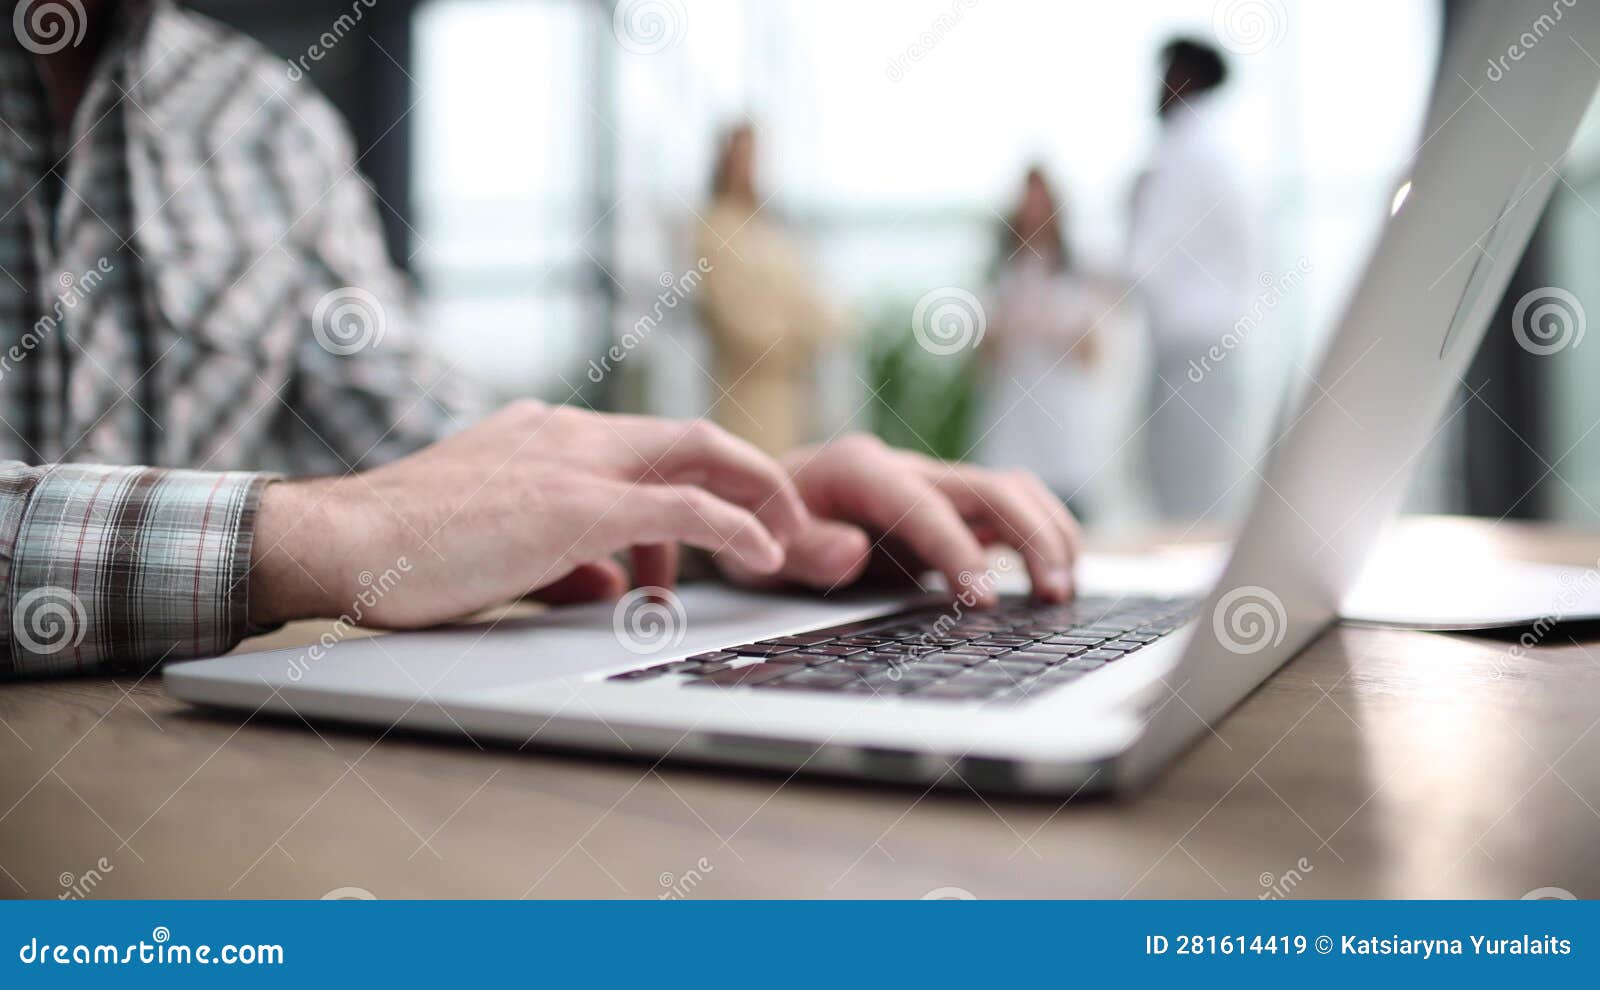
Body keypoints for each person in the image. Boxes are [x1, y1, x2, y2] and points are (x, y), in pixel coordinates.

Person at [0, 1, 1079, 679]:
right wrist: (313, 538)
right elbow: (384, 516)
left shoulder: (264, 123)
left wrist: (729, 512)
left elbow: (450, 456)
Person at [1126, 38, 1255, 521]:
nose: (1157, 88)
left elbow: (1146, 262)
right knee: (1196, 489)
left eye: (1166, 74)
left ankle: (1200, 600)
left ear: (1185, 78)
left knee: (1187, 501)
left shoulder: (1185, 155)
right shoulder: (1211, 151)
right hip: (1204, 346)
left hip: (1193, 351)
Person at [977, 166, 1122, 518]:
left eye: (1042, 203)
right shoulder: (1000, 276)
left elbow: (1095, 356)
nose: (1034, 213)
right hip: (1013, 431)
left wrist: (1057, 331)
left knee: (1068, 523)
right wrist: (1011, 327)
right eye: (1028, 203)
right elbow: (981, 358)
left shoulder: (1079, 276)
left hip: (1064, 435)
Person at [696, 124, 841, 457]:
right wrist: (794, 335)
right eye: (744, 156)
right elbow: (736, 317)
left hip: (794, 397)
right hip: (748, 397)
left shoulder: (768, 228)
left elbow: (811, 300)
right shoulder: (715, 228)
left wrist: (806, 327)